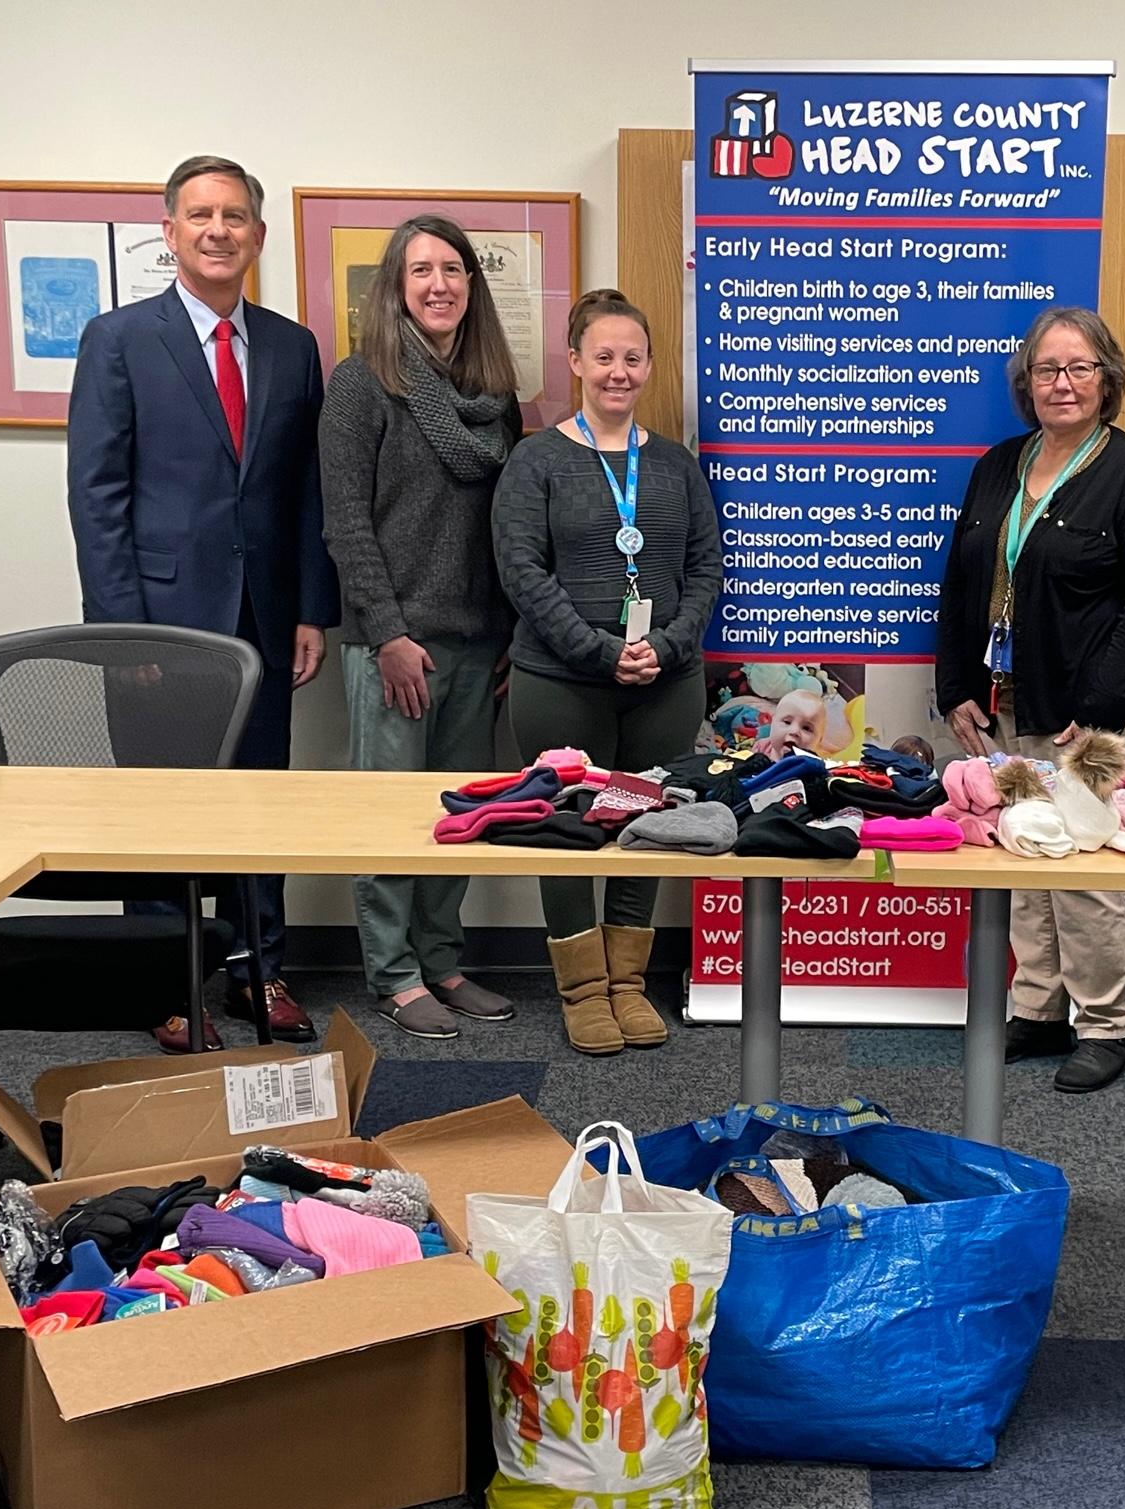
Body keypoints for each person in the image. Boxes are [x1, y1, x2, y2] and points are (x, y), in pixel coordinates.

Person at [68, 154, 338, 1051]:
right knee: (163, 813)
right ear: (170, 232)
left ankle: (261, 973)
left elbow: (305, 491)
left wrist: (309, 609)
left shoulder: (294, 345)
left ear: (258, 236)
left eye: (234, 216)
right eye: (200, 216)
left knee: (259, 807)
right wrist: (120, 629)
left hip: (263, 616)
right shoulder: (117, 339)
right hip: (158, 622)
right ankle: (169, 984)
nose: (218, 230)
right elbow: (97, 494)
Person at [935, 307, 1125, 1093]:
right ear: (1026, 382)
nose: (1062, 384)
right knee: (1022, 853)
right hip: (1010, 701)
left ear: (1107, 379)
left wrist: (1102, 703)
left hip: (1094, 717)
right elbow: (962, 584)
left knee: (1086, 869)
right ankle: (1037, 1010)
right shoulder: (1000, 463)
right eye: (1047, 369)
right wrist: (957, 689)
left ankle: (1107, 1024)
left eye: (1079, 368)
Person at [492, 290, 722, 1056]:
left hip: (663, 681)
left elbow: (704, 566)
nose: (618, 372)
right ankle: (583, 991)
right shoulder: (538, 459)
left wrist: (672, 642)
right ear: (575, 362)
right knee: (567, 826)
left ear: (649, 366)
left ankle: (628, 985)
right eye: (604, 357)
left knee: (643, 819)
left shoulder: (675, 466)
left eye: (632, 357)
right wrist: (597, 649)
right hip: (560, 680)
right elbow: (521, 570)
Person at [320, 216, 523, 1041]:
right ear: (395, 288)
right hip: (394, 645)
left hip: (480, 643)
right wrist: (388, 633)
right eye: (419, 271)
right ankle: (394, 974)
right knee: (390, 818)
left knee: (459, 819)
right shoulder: (361, 384)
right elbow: (346, 524)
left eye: (453, 269)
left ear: (471, 285)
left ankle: (441, 958)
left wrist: (511, 632)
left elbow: (509, 526)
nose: (438, 284)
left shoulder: (497, 396)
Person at [759, 689, 826, 757]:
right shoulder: (762, 747)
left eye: (806, 728)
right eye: (787, 722)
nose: (794, 731)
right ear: (772, 722)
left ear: (819, 741)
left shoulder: (813, 766)